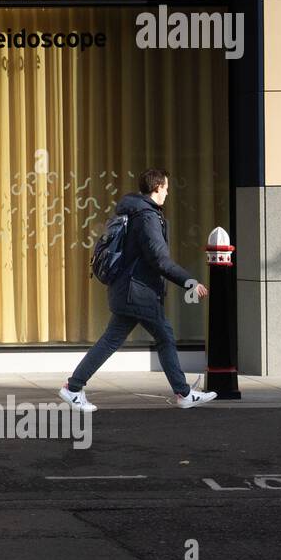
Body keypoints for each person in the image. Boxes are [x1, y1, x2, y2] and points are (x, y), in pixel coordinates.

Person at [60, 168, 217, 411]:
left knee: (111, 341)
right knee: (164, 337)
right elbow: (159, 259)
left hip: (127, 289)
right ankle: (183, 394)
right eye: (165, 188)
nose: (167, 192)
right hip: (139, 291)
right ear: (157, 188)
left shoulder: (133, 211)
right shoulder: (147, 217)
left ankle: (73, 388)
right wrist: (190, 282)